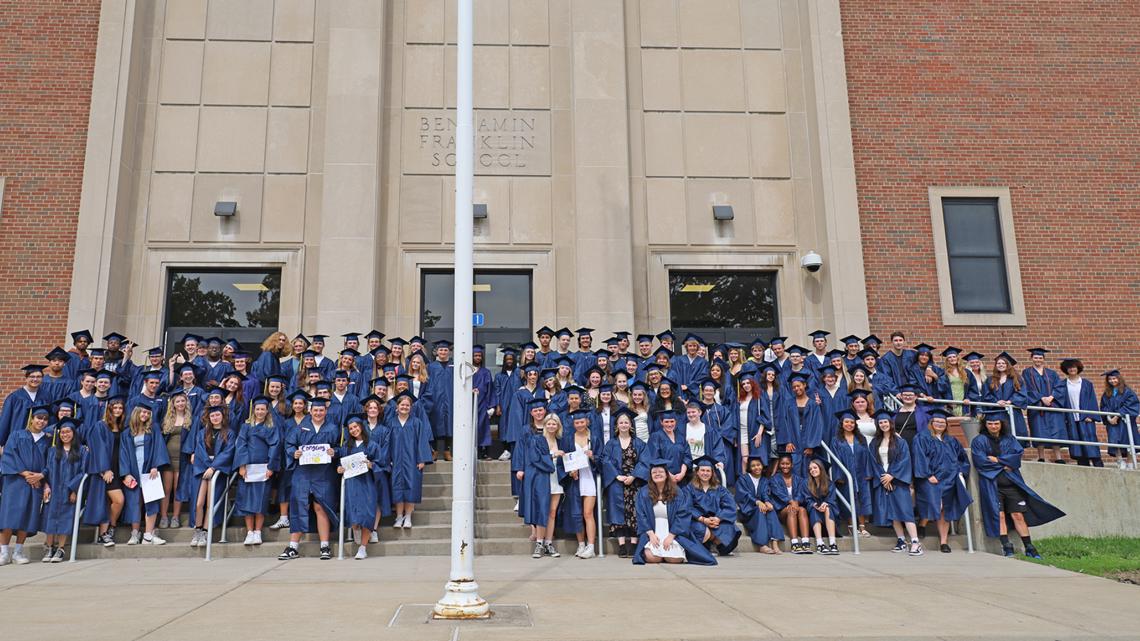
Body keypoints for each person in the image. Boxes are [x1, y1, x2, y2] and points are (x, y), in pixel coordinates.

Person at [971, 410, 1065, 558]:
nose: (993, 426)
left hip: (1012, 484)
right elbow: (981, 462)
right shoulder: (979, 441)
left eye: (996, 423)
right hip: (992, 485)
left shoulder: (1009, 439)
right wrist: (1004, 463)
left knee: (1018, 515)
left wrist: (997, 460)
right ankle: (1007, 547)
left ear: (1002, 424)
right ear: (985, 424)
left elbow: (1016, 459)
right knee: (999, 515)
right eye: (990, 423)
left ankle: (1029, 547)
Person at [279, 396, 340, 560]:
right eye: (315, 410)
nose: (318, 413)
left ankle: (325, 546)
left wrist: (335, 452)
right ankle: (293, 547)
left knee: (321, 507)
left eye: (321, 410)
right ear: (310, 411)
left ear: (326, 411)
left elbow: (340, 447)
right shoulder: (301, 428)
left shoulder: (333, 428)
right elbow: (289, 445)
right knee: (299, 506)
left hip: (324, 473)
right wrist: (294, 453)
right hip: (303, 473)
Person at [632, 457, 715, 566]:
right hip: (652, 531)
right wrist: (650, 534)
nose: (657, 474)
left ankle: (673, 549)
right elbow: (641, 514)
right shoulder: (643, 493)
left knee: (674, 560)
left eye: (661, 472)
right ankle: (657, 551)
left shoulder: (677, 492)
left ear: (667, 474)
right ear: (651, 476)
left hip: (672, 531)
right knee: (652, 558)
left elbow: (683, 515)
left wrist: (671, 536)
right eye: (654, 472)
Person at [912, 409, 973, 553]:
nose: (940, 424)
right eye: (937, 422)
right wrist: (927, 475)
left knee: (945, 509)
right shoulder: (922, 438)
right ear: (931, 423)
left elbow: (962, 458)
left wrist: (960, 472)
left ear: (946, 425)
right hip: (931, 479)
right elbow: (919, 457)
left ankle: (944, 542)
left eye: (942, 422)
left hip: (949, 479)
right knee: (935, 505)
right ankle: (923, 522)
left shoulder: (951, 440)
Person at [0, 405, 52, 565]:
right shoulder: (17, 435)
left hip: (35, 484)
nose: (41, 422)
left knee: (27, 517)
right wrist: (24, 473)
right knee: (9, 516)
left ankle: (18, 552)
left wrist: (40, 476)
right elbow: (9, 454)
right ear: (32, 418)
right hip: (15, 482)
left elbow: (51, 462)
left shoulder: (49, 440)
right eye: (39, 418)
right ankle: (3, 553)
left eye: (45, 419)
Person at [869, 409, 923, 556]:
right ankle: (901, 541)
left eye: (885, 422)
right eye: (880, 422)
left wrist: (892, 475)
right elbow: (874, 461)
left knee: (905, 511)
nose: (883, 424)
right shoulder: (875, 442)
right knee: (892, 513)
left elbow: (905, 460)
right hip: (884, 480)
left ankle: (915, 542)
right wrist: (883, 477)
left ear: (890, 423)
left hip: (898, 480)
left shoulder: (900, 441)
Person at [120, 402, 170, 546]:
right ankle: (135, 534)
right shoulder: (127, 432)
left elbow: (158, 447)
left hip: (149, 470)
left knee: (152, 501)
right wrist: (126, 474)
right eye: (143, 412)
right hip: (134, 471)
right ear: (136, 413)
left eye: (148, 413)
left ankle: (148, 535)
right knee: (134, 501)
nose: (145, 415)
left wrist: (155, 465)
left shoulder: (153, 429)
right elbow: (123, 454)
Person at [235, 396, 282, 546]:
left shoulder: (271, 427)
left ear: (267, 410)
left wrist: (271, 466)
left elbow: (275, 446)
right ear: (253, 410)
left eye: (263, 409)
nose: (260, 411)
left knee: (260, 501)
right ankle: (249, 532)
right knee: (247, 501)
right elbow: (241, 445)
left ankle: (258, 532)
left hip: (263, 469)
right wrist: (241, 465)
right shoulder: (246, 426)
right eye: (258, 409)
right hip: (248, 468)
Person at [337, 415, 384, 560]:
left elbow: (381, 465)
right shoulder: (346, 446)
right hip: (351, 485)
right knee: (354, 515)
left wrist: (371, 465)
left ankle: (363, 548)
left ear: (361, 427)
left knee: (367, 515)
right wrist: (339, 469)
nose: (354, 430)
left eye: (356, 427)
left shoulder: (372, 445)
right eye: (351, 428)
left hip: (367, 484)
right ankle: (355, 529)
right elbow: (341, 464)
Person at [385, 391, 433, 530]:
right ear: (397, 406)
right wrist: (388, 459)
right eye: (402, 405)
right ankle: (399, 516)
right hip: (395, 461)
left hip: (412, 461)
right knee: (397, 488)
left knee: (411, 488)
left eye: (407, 405)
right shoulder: (390, 423)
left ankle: (408, 517)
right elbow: (386, 443)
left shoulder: (417, 423)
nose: (405, 407)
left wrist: (422, 459)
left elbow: (422, 442)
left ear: (411, 407)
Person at [189, 405, 235, 547]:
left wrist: (214, 466)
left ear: (222, 416)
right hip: (203, 468)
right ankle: (197, 530)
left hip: (216, 469)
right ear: (208, 418)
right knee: (199, 503)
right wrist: (208, 466)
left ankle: (205, 531)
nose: (215, 418)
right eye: (212, 416)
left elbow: (228, 452)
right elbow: (200, 450)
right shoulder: (202, 433)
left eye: (217, 415)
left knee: (211, 503)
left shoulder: (229, 433)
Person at [41, 417, 86, 562]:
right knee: (50, 518)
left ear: (73, 433)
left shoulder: (81, 451)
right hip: (54, 489)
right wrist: (46, 485)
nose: (64, 434)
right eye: (62, 432)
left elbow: (82, 472)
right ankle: (49, 547)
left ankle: (60, 549)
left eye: (68, 432)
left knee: (66, 519)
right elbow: (47, 469)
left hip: (69, 492)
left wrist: (73, 490)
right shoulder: (53, 451)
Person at [601, 408, 644, 557]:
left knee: (634, 513)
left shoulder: (638, 443)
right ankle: (621, 546)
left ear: (630, 425)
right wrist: (616, 476)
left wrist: (634, 475)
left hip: (634, 482)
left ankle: (633, 545)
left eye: (626, 422)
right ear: (616, 425)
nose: (624, 425)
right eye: (621, 422)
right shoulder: (611, 443)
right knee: (617, 512)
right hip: (616, 482)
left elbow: (644, 462)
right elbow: (605, 460)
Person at [518, 413, 561, 558]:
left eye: (554, 423)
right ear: (544, 425)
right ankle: (539, 543)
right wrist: (553, 455)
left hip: (557, 479)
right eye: (548, 423)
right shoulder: (537, 440)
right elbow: (535, 459)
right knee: (542, 510)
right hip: (542, 478)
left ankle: (548, 543)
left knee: (552, 512)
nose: (551, 426)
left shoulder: (561, 441)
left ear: (558, 426)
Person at [560, 409, 601, 558]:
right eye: (577, 422)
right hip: (575, 480)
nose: (579, 425)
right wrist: (569, 471)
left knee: (588, 513)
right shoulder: (568, 438)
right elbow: (563, 460)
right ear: (573, 423)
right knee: (577, 514)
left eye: (582, 422)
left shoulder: (595, 438)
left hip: (589, 477)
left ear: (587, 422)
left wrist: (593, 456)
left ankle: (591, 547)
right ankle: (581, 545)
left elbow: (602, 458)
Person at [269, 390, 310, 531]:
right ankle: (284, 518)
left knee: (305, 489)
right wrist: (291, 454)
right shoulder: (286, 422)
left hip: (308, 460)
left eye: (300, 403)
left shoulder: (310, 420)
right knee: (285, 486)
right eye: (295, 403)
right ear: (292, 405)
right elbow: (282, 441)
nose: (298, 405)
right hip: (289, 459)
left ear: (305, 405)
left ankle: (303, 518)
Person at [829, 409, 873, 537]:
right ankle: (851, 527)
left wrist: (868, 471)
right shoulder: (836, 440)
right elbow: (835, 459)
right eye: (847, 422)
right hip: (845, 475)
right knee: (849, 498)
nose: (849, 424)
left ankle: (862, 527)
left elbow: (867, 456)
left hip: (860, 473)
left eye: (852, 422)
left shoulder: (861, 438)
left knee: (862, 499)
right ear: (842, 423)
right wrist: (839, 475)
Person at [687, 457, 741, 556]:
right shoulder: (689, 488)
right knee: (700, 529)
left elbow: (730, 506)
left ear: (712, 473)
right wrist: (703, 519)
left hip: (716, 521)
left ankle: (716, 546)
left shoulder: (720, 489)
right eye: (702, 470)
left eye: (708, 471)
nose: (705, 473)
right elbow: (687, 506)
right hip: (698, 520)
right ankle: (707, 546)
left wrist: (718, 518)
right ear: (697, 472)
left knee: (730, 528)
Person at [1023, 348, 1067, 463]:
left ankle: (1059, 458)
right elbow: (1027, 388)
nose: (1038, 360)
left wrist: (1051, 398)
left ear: (1044, 359)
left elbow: (1059, 387)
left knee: (1055, 430)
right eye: (1036, 357)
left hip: (1052, 406)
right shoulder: (1027, 373)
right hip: (1037, 406)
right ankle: (1041, 457)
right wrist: (1041, 398)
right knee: (1039, 430)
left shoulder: (1052, 373)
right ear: (1031, 358)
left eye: (1040, 358)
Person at [733, 455, 782, 553]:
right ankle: (762, 545)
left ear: (762, 466)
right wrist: (757, 502)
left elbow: (765, 493)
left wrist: (767, 502)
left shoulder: (764, 480)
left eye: (758, 465)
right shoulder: (743, 479)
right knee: (760, 511)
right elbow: (743, 495)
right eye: (753, 466)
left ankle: (775, 542)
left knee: (771, 510)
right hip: (747, 512)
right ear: (749, 468)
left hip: (759, 508)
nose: (756, 468)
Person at [1059, 358, 1102, 467]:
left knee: (1091, 444)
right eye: (1069, 368)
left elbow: (1092, 400)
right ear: (1066, 370)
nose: (1072, 369)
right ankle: (1083, 468)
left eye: (1074, 367)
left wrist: (1091, 416)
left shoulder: (1087, 384)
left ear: (1078, 368)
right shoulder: (1063, 384)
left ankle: (1098, 467)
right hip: (1071, 419)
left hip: (1086, 419)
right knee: (1077, 446)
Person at [159, 390, 192, 529]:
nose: (180, 403)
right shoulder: (167, 419)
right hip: (168, 459)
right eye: (177, 401)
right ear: (173, 404)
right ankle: (164, 516)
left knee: (178, 489)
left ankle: (176, 517)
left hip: (182, 459)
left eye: (182, 401)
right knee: (166, 490)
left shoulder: (191, 419)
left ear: (186, 403)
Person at [768, 454, 809, 554]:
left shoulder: (799, 479)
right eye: (782, 464)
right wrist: (791, 502)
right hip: (782, 510)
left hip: (796, 506)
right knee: (791, 510)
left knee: (802, 510)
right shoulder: (774, 479)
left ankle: (805, 542)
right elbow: (778, 493)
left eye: (787, 464)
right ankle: (794, 543)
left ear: (792, 465)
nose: (785, 466)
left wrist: (796, 502)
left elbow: (801, 493)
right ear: (779, 465)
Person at [0, 365, 45, 451]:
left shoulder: (46, 396)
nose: (35, 379)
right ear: (26, 378)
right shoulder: (14, 397)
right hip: (18, 441)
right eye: (32, 376)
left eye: (39, 376)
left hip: (39, 442)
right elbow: (5, 421)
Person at [984, 352, 1029, 439]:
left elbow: (1022, 393)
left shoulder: (1016, 379)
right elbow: (986, 395)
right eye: (998, 363)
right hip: (996, 412)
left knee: (1014, 434)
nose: (1001, 365)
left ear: (1008, 365)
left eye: (1003, 363)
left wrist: (1010, 401)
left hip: (1012, 412)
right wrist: (996, 401)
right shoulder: (990, 380)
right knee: (999, 436)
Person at [1100, 369, 1139, 469]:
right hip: (1112, 423)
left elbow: (1132, 405)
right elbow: (1103, 406)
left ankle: (1130, 463)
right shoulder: (1107, 393)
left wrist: (1118, 416)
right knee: (1114, 441)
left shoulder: (1127, 392)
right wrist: (1109, 418)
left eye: (1114, 378)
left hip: (1126, 422)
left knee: (1130, 441)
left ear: (1119, 379)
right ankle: (1120, 460)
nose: (1112, 381)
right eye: (1110, 379)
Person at [643, 410, 692, 484]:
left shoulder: (681, 437)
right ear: (661, 422)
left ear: (676, 422)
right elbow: (655, 459)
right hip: (664, 479)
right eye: (666, 422)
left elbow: (687, 456)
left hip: (681, 478)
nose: (669, 424)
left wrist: (682, 473)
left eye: (672, 421)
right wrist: (669, 475)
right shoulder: (655, 437)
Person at [804, 459, 839, 555]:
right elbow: (806, 500)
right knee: (814, 510)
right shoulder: (806, 483)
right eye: (810, 469)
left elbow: (832, 499)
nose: (812, 470)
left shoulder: (830, 484)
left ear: (821, 469)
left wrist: (826, 503)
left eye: (815, 467)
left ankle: (833, 543)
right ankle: (820, 544)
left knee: (828, 508)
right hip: (814, 518)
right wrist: (814, 505)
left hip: (828, 516)